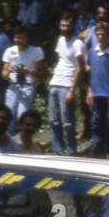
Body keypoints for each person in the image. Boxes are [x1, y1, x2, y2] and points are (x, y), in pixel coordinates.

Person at [48, 12, 84, 155]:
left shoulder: (77, 43)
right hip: (55, 82)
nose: (64, 28)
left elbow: (80, 68)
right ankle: (57, 148)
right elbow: (61, 59)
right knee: (54, 119)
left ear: (73, 26)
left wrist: (71, 89)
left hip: (66, 84)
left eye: (68, 26)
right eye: (62, 25)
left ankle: (71, 150)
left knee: (67, 122)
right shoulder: (61, 40)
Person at [85, 20, 109, 159]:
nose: (101, 37)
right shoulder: (92, 51)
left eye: (103, 34)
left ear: (108, 35)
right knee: (96, 122)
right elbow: (90, 73)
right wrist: (89, 91)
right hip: (96, 93)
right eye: (98, 34)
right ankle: (96, 148)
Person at [1, 24, 45, 130]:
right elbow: (3, 75)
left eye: (22, 37)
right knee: (9, 114)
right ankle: (10, 141)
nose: (19, 40)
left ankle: (23, 141)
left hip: (28, 85)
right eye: (16, 37)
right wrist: (8, 72)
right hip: (13, 86)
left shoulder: (37, 51)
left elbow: (42, 75)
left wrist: (29, 72)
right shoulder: (9, 51)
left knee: (23, 115)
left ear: (27, 38)